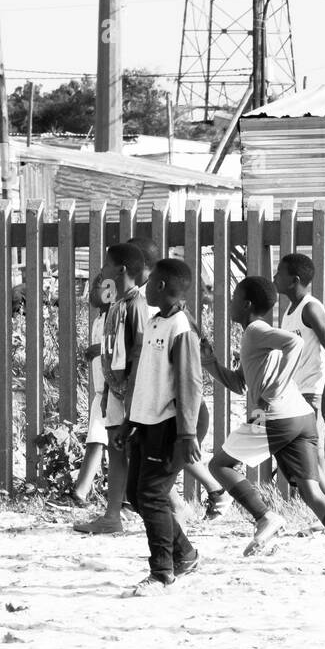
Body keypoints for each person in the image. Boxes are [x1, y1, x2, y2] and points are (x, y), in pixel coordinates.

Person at [201, 276, 325, 577]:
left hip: (276, 419)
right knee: (311, 491)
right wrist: (210, 362)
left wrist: (275, 386)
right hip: (301, 418)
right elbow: (240, 383)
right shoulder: (254, 336)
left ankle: (265, 517)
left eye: (235, 296)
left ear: (247, 304)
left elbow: (296, 341)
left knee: (219, 465)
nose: (231, 301)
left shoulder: (255, 329)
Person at [117, 258, 205, 596]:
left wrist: (186, 433)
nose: (146, 286)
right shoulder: (156, 322)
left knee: (151, 495)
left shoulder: (181, 327)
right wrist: (130, 421)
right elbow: (146, 379)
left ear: (164, 286)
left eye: (151, 281)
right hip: (146, 422)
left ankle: (162, 572)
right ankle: (185, 553)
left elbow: (190, 383)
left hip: (171, 426)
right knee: (137, 497)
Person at [127, 236, 228, 519]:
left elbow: (189, 376)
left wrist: (186, 430)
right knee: (151, 484)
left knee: (157, 482)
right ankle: (185, 517)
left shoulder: (172, 316)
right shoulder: (155, 312)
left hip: (182, 411)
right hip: (155, 408)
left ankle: (207, 501)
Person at [74, 243, 147, 535]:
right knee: (118, 454)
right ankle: (112, 515)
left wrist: (129, 396)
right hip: (115, 394)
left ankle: (173, 511)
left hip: (130, 395)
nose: (102, 270)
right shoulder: (118, 305)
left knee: (139, 458)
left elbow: (138, 353)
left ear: (121, 270)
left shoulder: (134, 306)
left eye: (106, 265)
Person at [272, 254, 325, 504]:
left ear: (295, 280)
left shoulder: (310, 308)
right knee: (310, 454)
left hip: (315, 388)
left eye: (279, 273)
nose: (274, 277)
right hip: (297, 391)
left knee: (315, 454)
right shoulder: (289, 311)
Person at [68, 271, 109, 508]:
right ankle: (80, 493)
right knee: (95, 439)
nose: (92, 291)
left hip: (113, 391)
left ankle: (123, 498)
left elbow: (125, 348)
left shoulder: (115, 317)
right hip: (102, 391)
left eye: (97, 286)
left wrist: (100, 349)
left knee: (108, 443)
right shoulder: (98, 320)